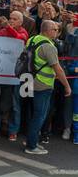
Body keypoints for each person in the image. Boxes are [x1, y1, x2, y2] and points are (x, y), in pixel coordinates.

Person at [23, 19, 72, 155]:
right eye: (55, 29)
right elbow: (58, 69)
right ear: (48, 30)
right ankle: (31, 146)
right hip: (42, 84)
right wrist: (67, 87)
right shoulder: (49, 46)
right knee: (40, 115)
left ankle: (30, 140)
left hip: (28, 81)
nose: (57, 32)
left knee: (32, 113)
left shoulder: (32, 39)